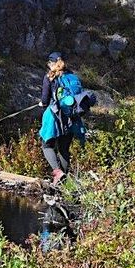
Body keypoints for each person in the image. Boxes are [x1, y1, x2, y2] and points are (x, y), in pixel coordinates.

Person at [38, 52, 87, 185]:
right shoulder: (73, 77)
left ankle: (57, 172)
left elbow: (45, 100)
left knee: (46, 145)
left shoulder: (49, 77)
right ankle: (63, 183)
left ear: (52, 64)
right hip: (72, 117)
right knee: (64, 149)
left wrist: (42, 104)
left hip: (55, 116)